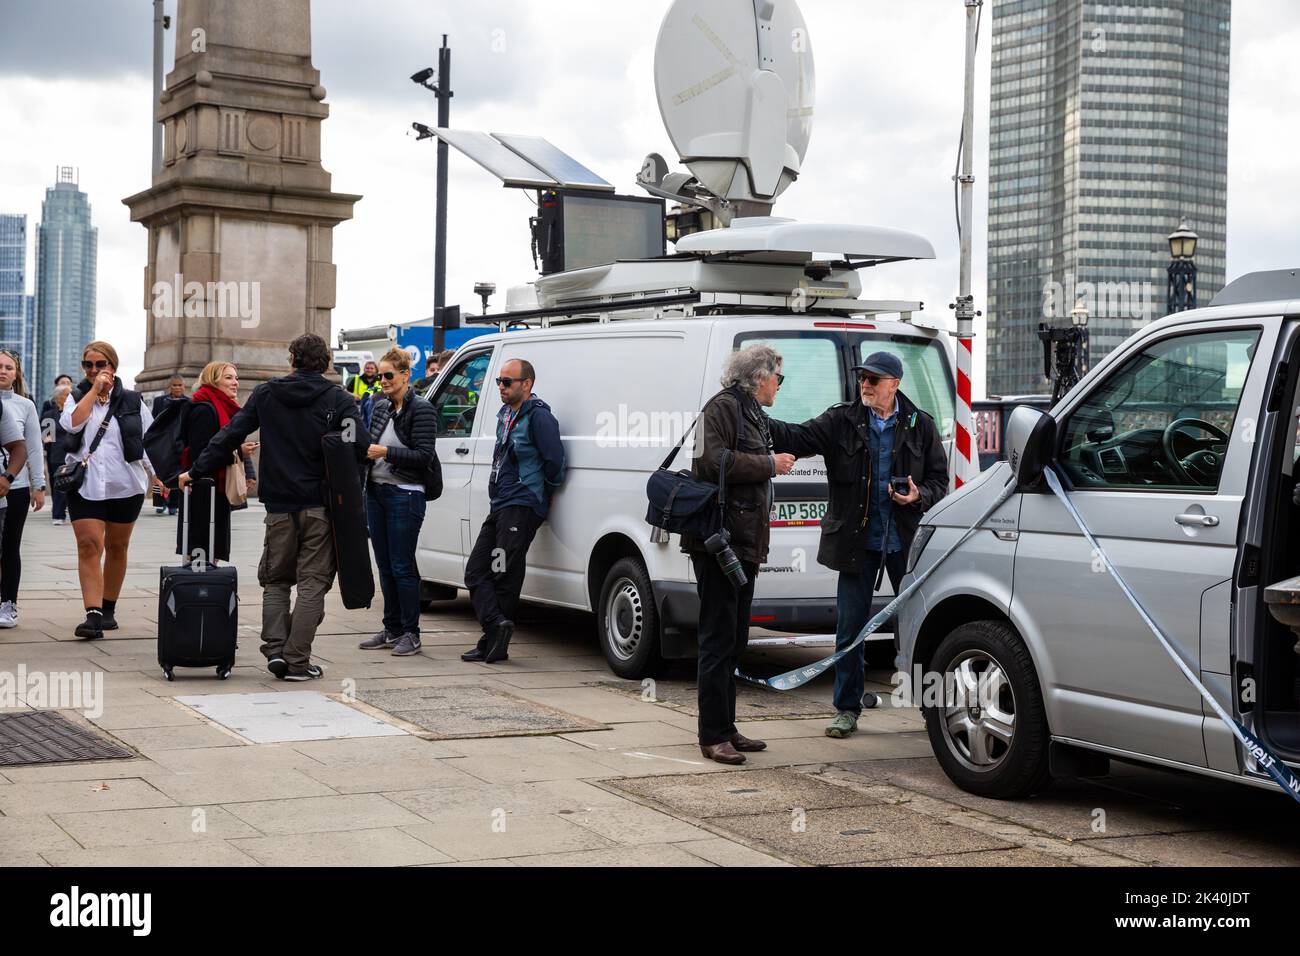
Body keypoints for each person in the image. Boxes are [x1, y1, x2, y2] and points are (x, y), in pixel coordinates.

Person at [767, 350, 949, 739]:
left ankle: (929, 710)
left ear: (895, 384)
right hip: (858, 543)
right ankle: (846, 710)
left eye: (873, 379)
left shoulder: (921, 425)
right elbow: (796, 437)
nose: (864, 385)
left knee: (918, 626)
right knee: (851, 628)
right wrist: (753, 413)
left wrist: (918, 496)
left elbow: (940, 481)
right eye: (863, 378)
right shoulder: (841, 420)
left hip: (905, 542)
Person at [180, 334, 366, 681]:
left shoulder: (267, 393)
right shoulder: (338, 399)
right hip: (320, 506)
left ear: (292, 359)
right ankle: (297, 660)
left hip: (279, 504)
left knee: (276, 580)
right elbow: (361, 443)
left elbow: (230, 434)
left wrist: (196, 470)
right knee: (313, 583)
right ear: (325, 363)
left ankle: (276, 650)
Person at [681, 344, 798, 765]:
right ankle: (712, 735)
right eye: (777, 378)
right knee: (717, 638)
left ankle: (726, 727)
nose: (779, 387)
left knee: (734, 639)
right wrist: (769, 464)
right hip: (719, 541)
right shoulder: (723, 408)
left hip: (744, 542)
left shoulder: (750, 411)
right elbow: (714, 461)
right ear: (758, 377)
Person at [460, 358, 565, 664]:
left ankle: (492, 636)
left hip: (521, 505)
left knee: (500, 572)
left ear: (527, 384)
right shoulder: (505, 414)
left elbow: (555, 460)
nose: (501, 388)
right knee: (481, 570)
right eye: (499, 382)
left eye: (507, 382)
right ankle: (495, 636)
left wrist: (546, 492)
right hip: (502, 503)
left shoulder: (540, 418)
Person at [59, 342, 164, 640]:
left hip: (125, 484)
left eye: (100, 364)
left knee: (117, 547)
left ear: (112, 367)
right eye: (88, 365)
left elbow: (149, 440)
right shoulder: (77, 397)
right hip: (85, 483)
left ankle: (108, 609)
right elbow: (72, 424)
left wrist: (159, 476)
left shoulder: (132, 401)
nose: (93, 370)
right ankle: (92, 615)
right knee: (89, 545)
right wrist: (93, 391)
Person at [358, 348, 440, 657]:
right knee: (384, 564)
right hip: (377, 493)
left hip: (406, 493)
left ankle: (411, 632)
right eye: (380, 376)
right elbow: (368, 443)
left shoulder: (423, 409)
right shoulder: (380, 407)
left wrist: (385, 453)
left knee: (402, 564)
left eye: (389, 375)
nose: (383, 381)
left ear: (406, 375)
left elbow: (423, 456)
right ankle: (391, 628)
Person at [175, 362, 258, 564]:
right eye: (228, 377)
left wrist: (242, 458)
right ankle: (198, 590)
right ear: (213, 380)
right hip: (203, 490)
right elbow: (201, 452)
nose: (235, 383)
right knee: (201, 550)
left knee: (211, 549)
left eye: (236, 378)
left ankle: (205, 589)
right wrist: (238, 452)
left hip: (215, 490)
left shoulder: (223, 407)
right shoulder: (204, 409)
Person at [0, 351, 46, 629]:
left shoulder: (25, 405)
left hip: (14, 487)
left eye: (8, 367)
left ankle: (9, 604)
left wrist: (38, 484)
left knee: (9, 546)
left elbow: (32, 447)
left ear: (16, 375)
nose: (3, 371)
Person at [152, 375, 188, 515]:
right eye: (175, 385)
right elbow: (154, 421)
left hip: (180, 443)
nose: (177, 388)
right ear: (169, 387)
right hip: (163, 442)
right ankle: (160, 502)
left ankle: (174, 504)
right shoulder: (160, 401)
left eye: (180, 385)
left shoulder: (188, 402)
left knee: (178, 474)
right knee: (161, 474)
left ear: (184, 387)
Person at [40, 376, 73, 525]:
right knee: (58, 485)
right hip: (57, 454)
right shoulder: (49, 416)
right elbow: (46, 439)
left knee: (74, 485)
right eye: (67, 394)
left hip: (73, 454)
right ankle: (58, 515)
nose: (70, 397)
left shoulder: (75, 413)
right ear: (59, 397)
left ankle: (73, 512)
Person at [350, 359, 381, 428]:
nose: (369, 370)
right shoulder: (356, 379)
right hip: (358, 408)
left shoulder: (380, 380)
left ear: (376, 370)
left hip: (375, 409)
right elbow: (346, 391)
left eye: (371, 368)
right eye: (367, 368)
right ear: (364, 369)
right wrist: (353, 395)